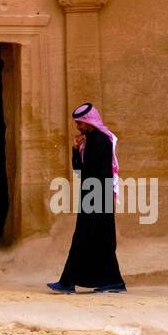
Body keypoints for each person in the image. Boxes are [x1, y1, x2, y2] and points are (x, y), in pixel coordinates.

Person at [47, 102, 126, 294]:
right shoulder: (91, 140)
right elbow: (81, 171)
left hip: (97, 197)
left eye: (81, 123)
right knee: (101, 240)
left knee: (84, 238)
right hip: (95, 196)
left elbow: (85, 172)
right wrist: (76, 150)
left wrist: (77, 153)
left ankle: (68, 282)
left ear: (89, 122)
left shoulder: (99, 141)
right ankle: (113, 281)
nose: (78, 127)